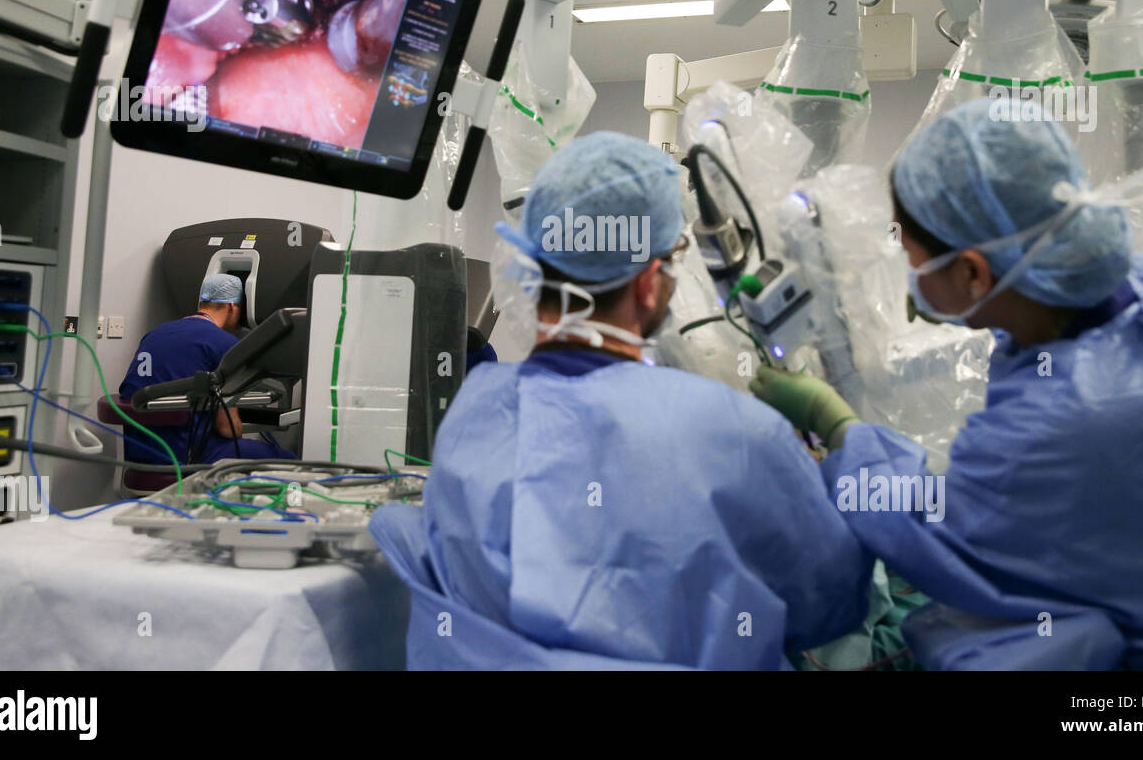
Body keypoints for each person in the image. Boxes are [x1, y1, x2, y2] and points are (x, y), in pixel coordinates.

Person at [751, 97, 1143, 669]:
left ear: (971, 271)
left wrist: (839, 426)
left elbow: (938, 535)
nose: (909, 277)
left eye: (911, 258)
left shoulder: (1064, 423)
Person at [369, 131, 871, 669]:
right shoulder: (737, 431)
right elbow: (831, 605)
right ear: (651, 283)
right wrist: (842, 437)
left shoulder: (471, 415)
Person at [118, 273, 294, 465]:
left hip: (140, 452)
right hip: (187, 453)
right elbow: (228, 429)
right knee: (289, 461)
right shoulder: (222, 342)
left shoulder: (154, 334)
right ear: (232, 307)